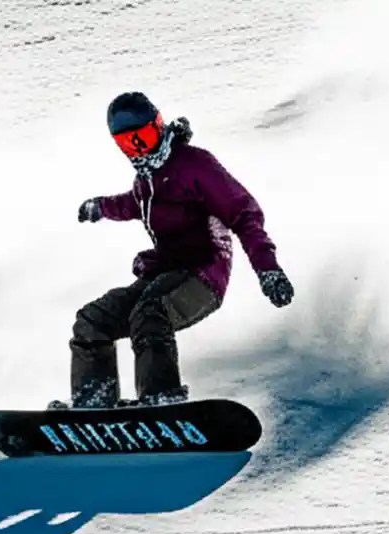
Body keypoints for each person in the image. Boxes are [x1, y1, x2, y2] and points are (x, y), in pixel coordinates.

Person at [52, 91, 294, 409]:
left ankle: (160, 398)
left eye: (144, 137)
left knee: (150, 313)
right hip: (165, 274)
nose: (139, 150)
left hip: (203, 274)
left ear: (159, 125)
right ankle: (94, 401)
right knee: (93, 320)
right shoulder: (146, 181)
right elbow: (132, 203)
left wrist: (268, 268)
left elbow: (243, 213)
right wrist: (101, 207)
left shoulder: (195, 164)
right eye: (128, 143)